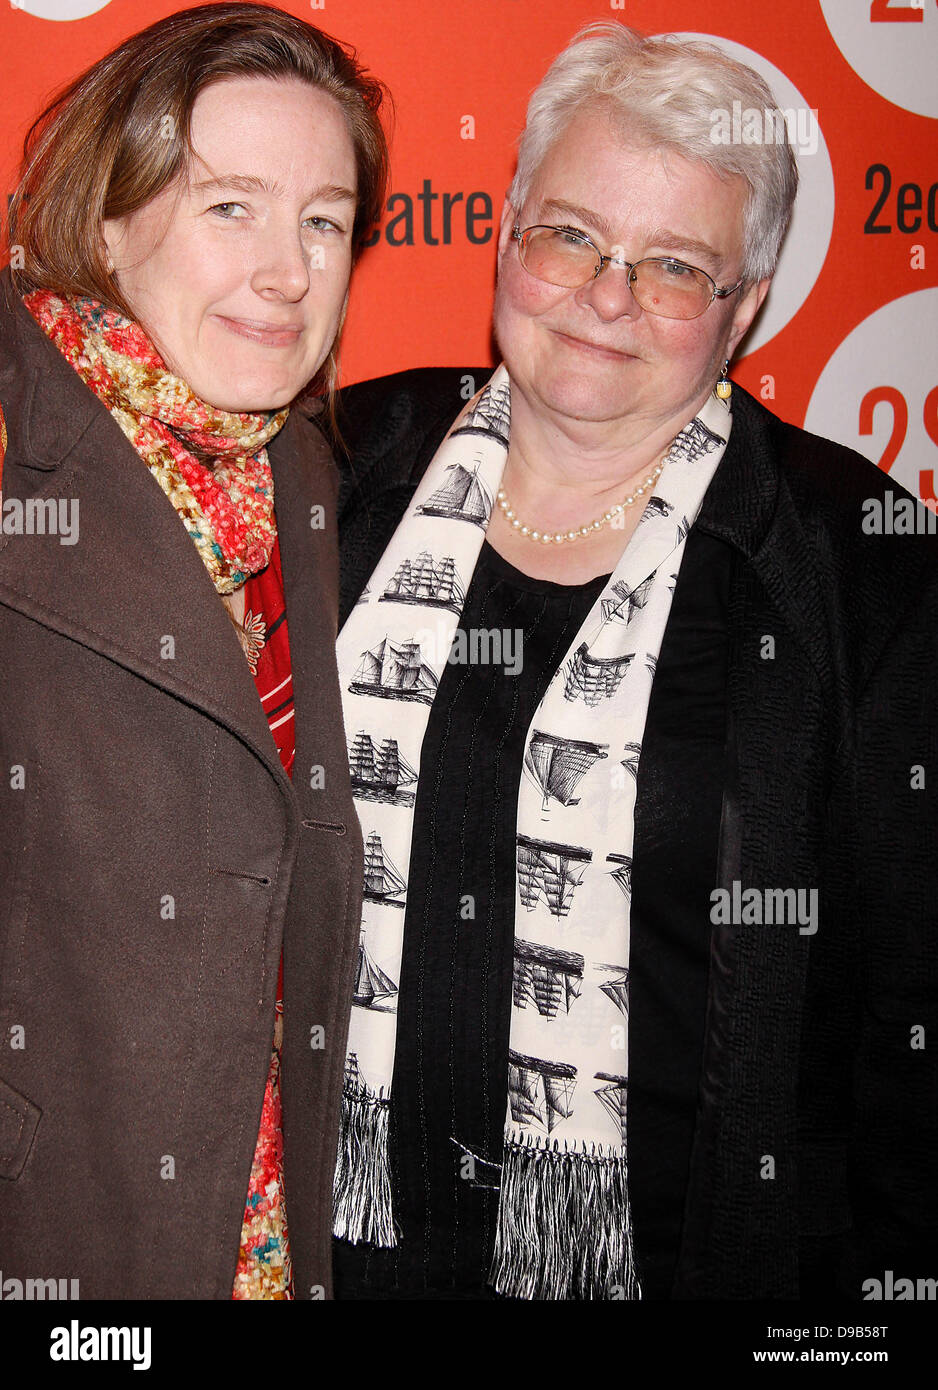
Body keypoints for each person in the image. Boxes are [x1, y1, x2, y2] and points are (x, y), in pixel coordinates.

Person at [330, 23, 938, 1300]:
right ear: (504, 231)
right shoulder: (340, 471)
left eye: (673, 265)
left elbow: (908, 1018)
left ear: (746, 307)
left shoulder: (857, 566)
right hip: (341, 1256)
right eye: (570, 234)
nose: (607, 296)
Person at [0, 3, 388, 1299]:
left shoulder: (298, 477)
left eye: (323, 220)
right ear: (107, 217)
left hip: (256, 1217)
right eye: (231, 207)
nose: (289, 271)